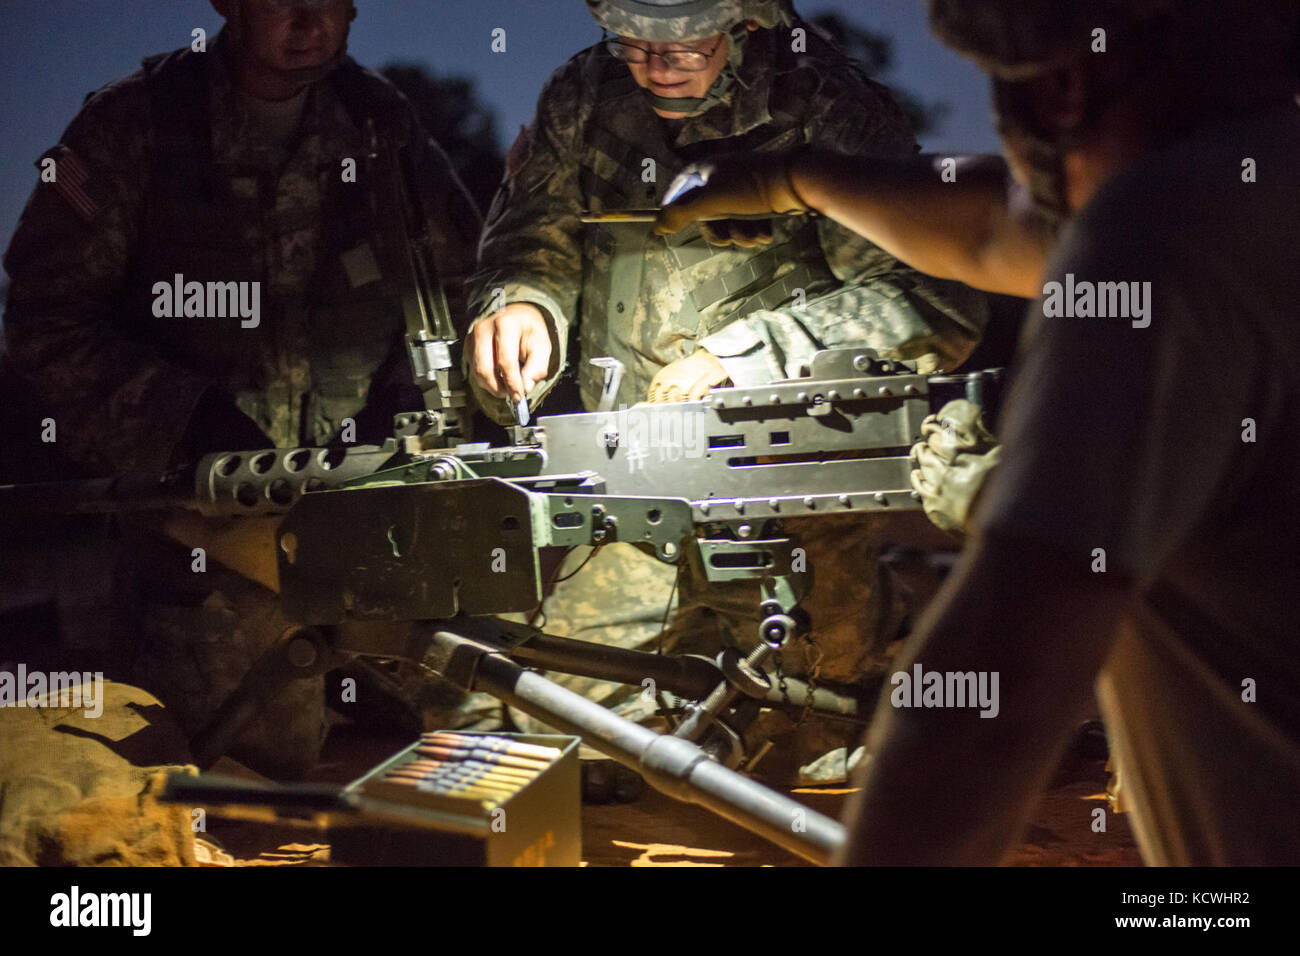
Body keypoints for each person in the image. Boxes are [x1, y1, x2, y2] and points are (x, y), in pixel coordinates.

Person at [662, 0, 1300, 863]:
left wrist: (1010, 507)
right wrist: (794, 177)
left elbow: (999, 671)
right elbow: (1002, 223)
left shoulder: (1166, 237)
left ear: (1064, 87)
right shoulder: (1255, 181)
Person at [461, 0, 990, 787]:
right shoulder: (581, 95)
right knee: (568, 735)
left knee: (819, 744)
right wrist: (519, 305)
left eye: (683, 40)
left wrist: (745, 355)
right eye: (633, 42)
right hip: (631, 476)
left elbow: (932, 300)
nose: (658, 64)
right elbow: (532, 240)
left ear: (742, 21)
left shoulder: (823, 102)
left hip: (790, 488)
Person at [0, 0, 483, 778]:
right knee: (240, 780)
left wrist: (403, 417)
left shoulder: (378, 124)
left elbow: (460, 296)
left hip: (378, 528)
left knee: (482, 744)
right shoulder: (136, 126)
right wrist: (189, 424)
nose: (308, 18)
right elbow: (44, 321)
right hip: (204, 551)